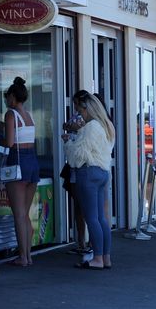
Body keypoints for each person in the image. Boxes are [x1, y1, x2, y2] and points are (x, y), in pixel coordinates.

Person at [64, 92, 115, 269]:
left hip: (88, 173)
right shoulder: (106, 125)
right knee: (101, 219)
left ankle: (97, 258)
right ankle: (106, 258)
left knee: (91, 218)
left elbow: (77, 156)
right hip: (102, 172)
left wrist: (68, 143)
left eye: (81, 111)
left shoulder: (91, 127)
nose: (80, 114)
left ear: (88, 109)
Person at [2, 77, 40, 267]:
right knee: (25, 214)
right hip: (32, 162)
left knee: (18, 214)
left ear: (13, 97)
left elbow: (9, 143)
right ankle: (29, 256)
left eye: (7, 96)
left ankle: (22, 257)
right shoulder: (29, 115)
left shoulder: (11, 114)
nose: (5, 100)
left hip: (18, 163)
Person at [62, 90, 90, 255]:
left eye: (76, 103)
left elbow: (78, 127)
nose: (75, 106)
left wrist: (70, 126)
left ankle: (90, 243)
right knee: (78, 205)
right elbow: (67, 125)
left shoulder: (89, 118)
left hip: (82, 164)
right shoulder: (76, 115)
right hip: (73, 163)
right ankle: (81, 241)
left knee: (87, 206)